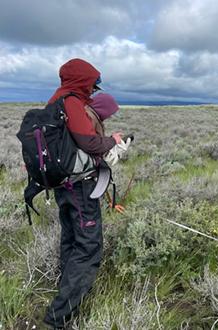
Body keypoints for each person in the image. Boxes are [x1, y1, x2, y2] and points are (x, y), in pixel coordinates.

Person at [43, 58, 123, 328]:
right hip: (79, 185)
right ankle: (60, 316)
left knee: (71, 239)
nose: (93, 91)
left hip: (63, 185)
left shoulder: (55, 101)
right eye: (92, 85)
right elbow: (88, 142)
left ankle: (64, 293)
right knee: (88, 247)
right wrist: (112, 141)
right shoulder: (72, 102)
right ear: (82, 81)